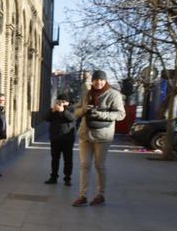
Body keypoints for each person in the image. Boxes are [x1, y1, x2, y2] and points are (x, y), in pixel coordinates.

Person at [72, 70, 126, 207]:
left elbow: (120, 114)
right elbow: (76, 111)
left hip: (103, 135)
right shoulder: (87, 93)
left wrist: (100, 114)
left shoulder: (114, 94)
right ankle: (82, 196)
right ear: (93, 81)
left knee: (99, 166)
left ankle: (100, 194)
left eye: (101, 80)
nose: (98, 82)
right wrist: (84, 110)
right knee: (84, 165)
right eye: (96, 80)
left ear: (105, 80)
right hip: (85, 134)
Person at [45, 93, 76, 185]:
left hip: (67, 139)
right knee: (54, 158)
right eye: (59, 101)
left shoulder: (72, 109)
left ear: (68, 102)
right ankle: (53, 177)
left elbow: (72, 118)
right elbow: (46, 118)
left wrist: (63, 111)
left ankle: (67, 178)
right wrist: (52, 111)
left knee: (68, 159)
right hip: (55, 138)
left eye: (64, 102)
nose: (61, 103)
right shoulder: (54, 109)